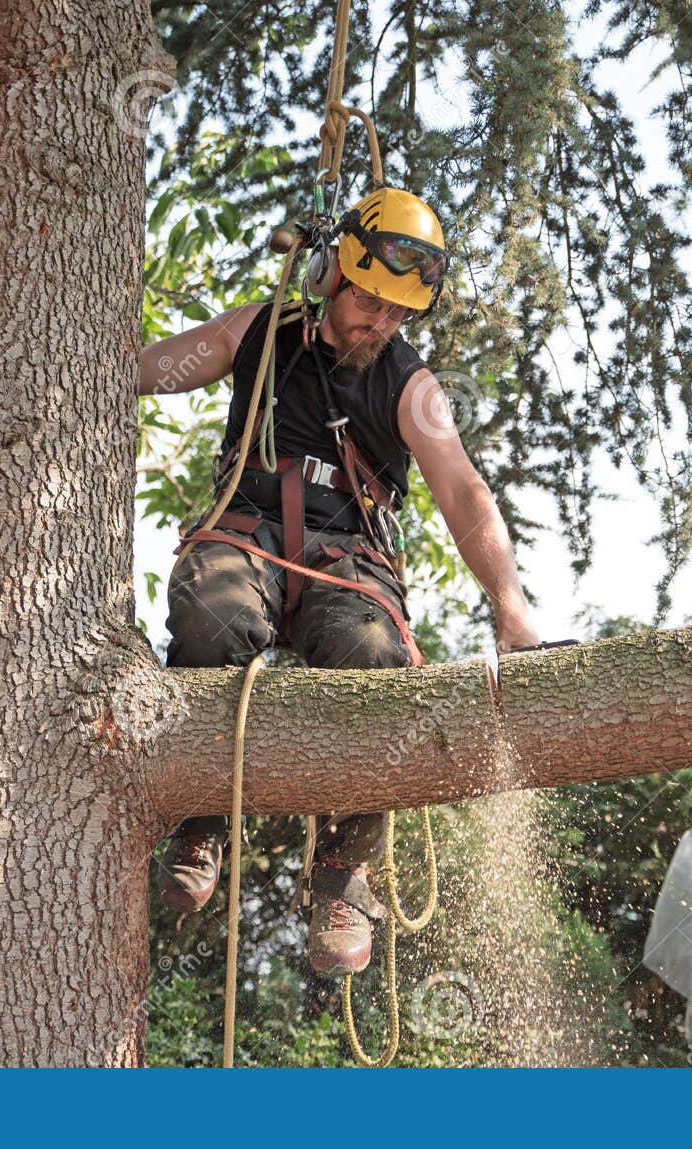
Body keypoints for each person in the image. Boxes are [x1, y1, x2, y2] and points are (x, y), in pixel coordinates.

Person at [136, 187, 541, 976]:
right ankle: (199, 821)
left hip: (347, 559)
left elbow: (464, 492)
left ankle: (344, 875)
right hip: (243, 533)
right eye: (369, 302)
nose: (380, 323)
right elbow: (148, 372)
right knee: (209, 619)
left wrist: (511, 608)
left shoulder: (409, 385)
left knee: (372, 656)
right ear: (328, 274)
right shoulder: (261, 331)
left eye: (398, 313)